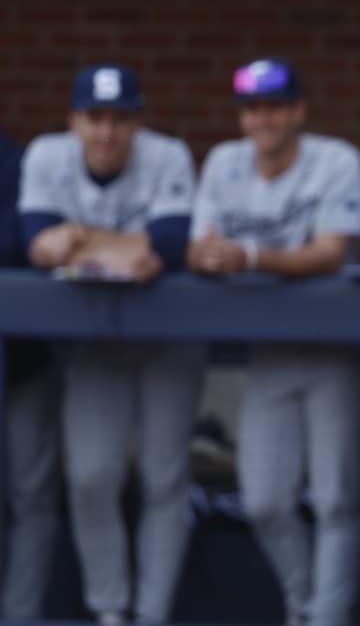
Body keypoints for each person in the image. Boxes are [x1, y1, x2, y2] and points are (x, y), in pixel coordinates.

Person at [188, 59, 360, 626]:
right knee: (264, 500)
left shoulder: (336, 160)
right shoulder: (224, 162)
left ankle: (327, 617)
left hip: (334, 352)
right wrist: (211, 257)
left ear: (297, 111)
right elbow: (196, 248)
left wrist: (248, 257)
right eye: (252, 108)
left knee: (337, 499)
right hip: (267, 354)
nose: (263, 118)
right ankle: (303, 603)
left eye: (274, 106)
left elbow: (330, 251)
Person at [20, 65, 201, 625]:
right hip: (96, 341)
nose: (106, 132)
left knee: (163, 479)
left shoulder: (167, 155)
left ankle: (151, 614)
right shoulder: (48, 155)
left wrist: (83, 239)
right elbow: (40, 244)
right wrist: (125, 246)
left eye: (119, 119)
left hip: (169, 339)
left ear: (136, 123)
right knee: (91, 476)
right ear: (75, 120)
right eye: (94, 118)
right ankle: (109, 610)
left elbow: (170, 246)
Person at [0, 125, 60, 621]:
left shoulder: (19, 161)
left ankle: (20, 615)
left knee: (32, 495)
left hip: (22, 362)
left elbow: (21, 242)